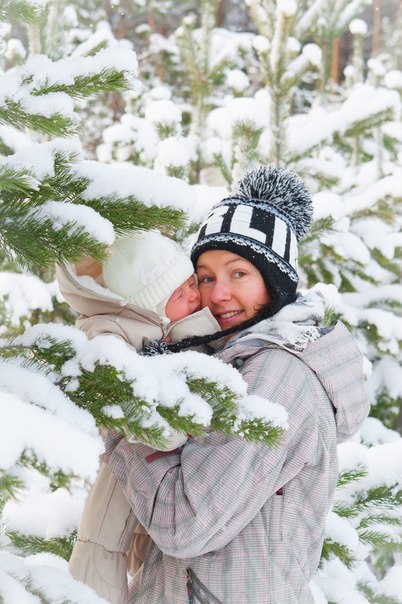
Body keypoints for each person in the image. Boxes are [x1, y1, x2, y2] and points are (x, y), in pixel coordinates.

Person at [102, 165, 370, 604]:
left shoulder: (276, 375)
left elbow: (185, 524)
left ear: (275, 284)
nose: (218, 294)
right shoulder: (234, 361)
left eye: (238, 274)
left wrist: (123, 416)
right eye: (205, 277)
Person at [56, 230, 221, 604]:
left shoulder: (179, 328)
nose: (194, 296)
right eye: (179, 295)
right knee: (102, 541)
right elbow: (132, 402)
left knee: (146, 547)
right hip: (124, 455)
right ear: (152, 308)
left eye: (191, 284)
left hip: (159, 469)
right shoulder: (111, 332)